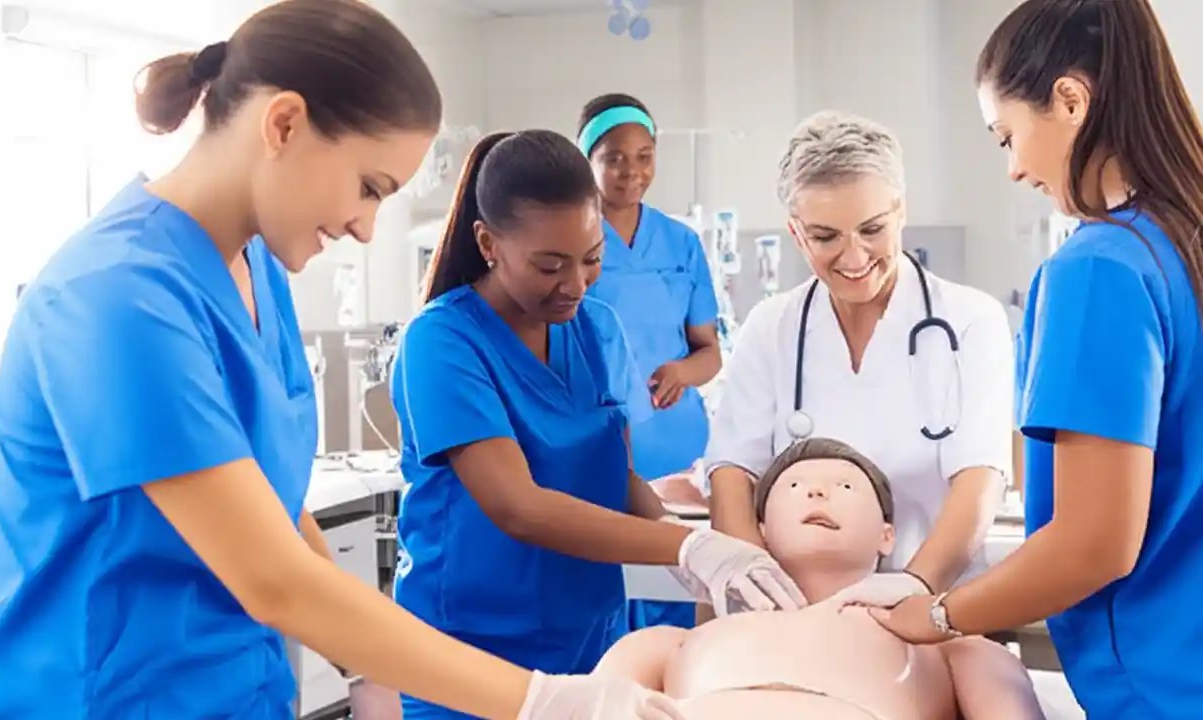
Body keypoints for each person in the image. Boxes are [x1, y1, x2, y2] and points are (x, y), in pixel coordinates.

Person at [0, 2, 684, 718]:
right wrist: (542, 702)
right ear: (282, 125)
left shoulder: (256, 274)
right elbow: (272, 578)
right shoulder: (119, 297)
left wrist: (372, 664)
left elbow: (279, 518)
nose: (366, 228)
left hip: (239, 694)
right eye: (368, 187)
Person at [390, 128, 801, 719]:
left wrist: (693, 556)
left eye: (591, 259)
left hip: (590, 642)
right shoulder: (443, 341)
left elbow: (616, 475)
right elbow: (517, 507)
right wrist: (686, 546)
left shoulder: (598, 329)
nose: (575, 285)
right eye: (550, 266)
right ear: (488, 242)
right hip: (468, 655)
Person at [868, 2, 1203, 718]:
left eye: (1007, 137)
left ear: (1071, 100)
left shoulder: (1103, 267)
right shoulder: (1188, 245)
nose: (1016, 168)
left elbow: (1094, 543)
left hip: (1161, 683)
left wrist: (934, 617)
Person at [705, 109, 1015, 616]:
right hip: (798, 615)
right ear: (796, 232)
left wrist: (914, 590)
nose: (853, 257)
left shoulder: (969, 321)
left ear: (901, 211)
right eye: (826, 237)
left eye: (872, 229)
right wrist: (761, 592)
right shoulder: (772, 327)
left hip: (935, 610)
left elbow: (981, 479)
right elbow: (732, 474)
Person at [594, 438, 1045, 719]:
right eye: (794, 487)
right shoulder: (666, 644)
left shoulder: (945, 645)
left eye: (846, 487)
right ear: (763, 531)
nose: (817, 491)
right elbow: (585, 709)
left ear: (887, 535)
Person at [577, 93, 723, 631]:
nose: (632, 171)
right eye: (614, 157)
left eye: (644, 155)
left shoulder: (681, 243)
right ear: (587, 159)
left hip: (682, 447)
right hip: (607, 445)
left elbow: (709, 353)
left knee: (690, 597)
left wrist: (683, 371)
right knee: (620, 608)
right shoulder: (574, 241)